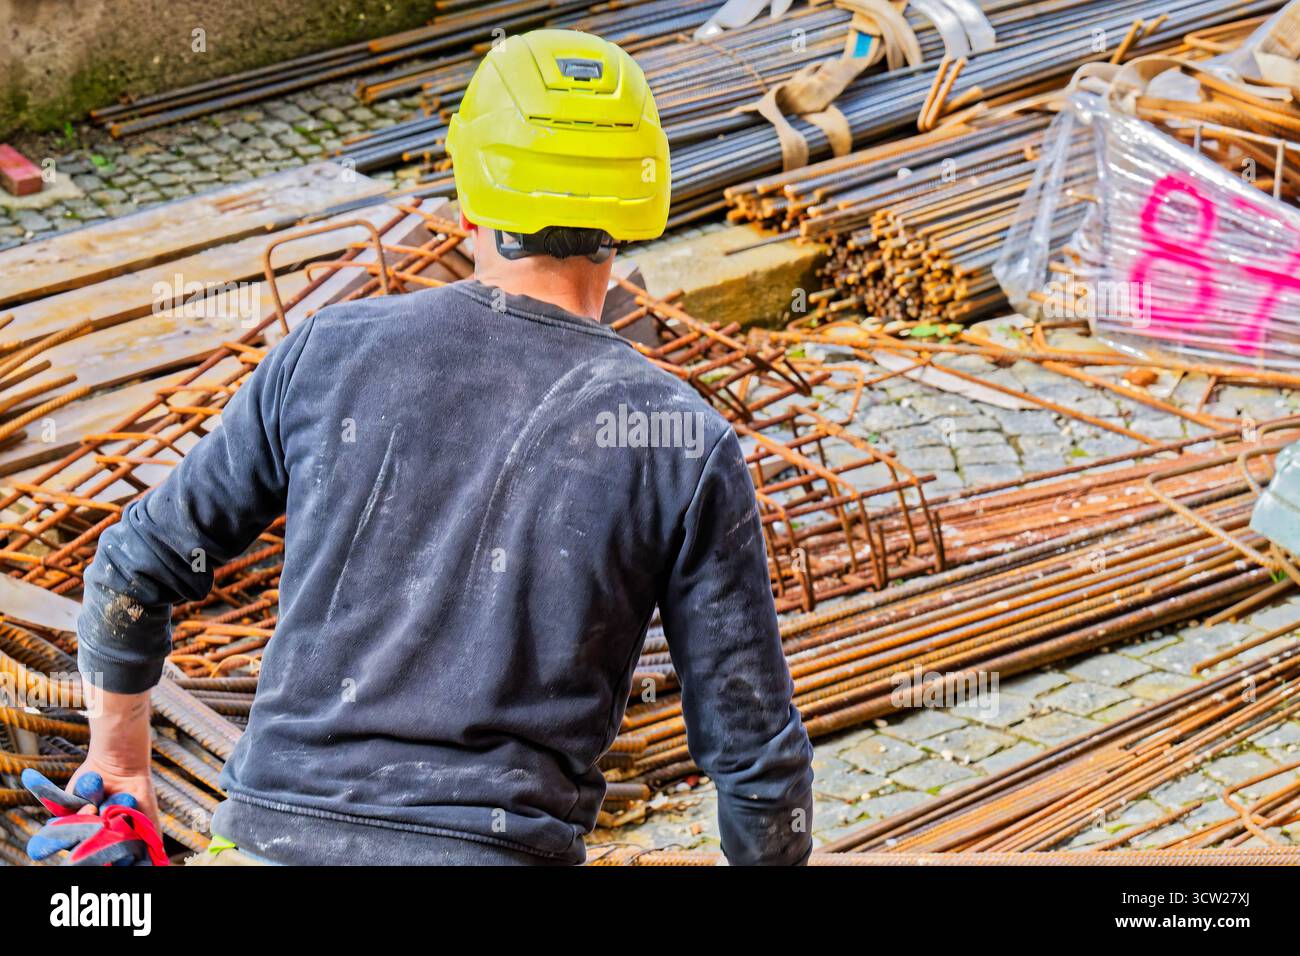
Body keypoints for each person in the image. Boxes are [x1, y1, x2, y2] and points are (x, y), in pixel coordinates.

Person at [70, 28, 813, 866]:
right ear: (638, 214)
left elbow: (134, 570)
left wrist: (119, 763)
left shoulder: (330, 353)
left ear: (471, 198)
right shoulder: (677, 438)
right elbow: (754, 757)